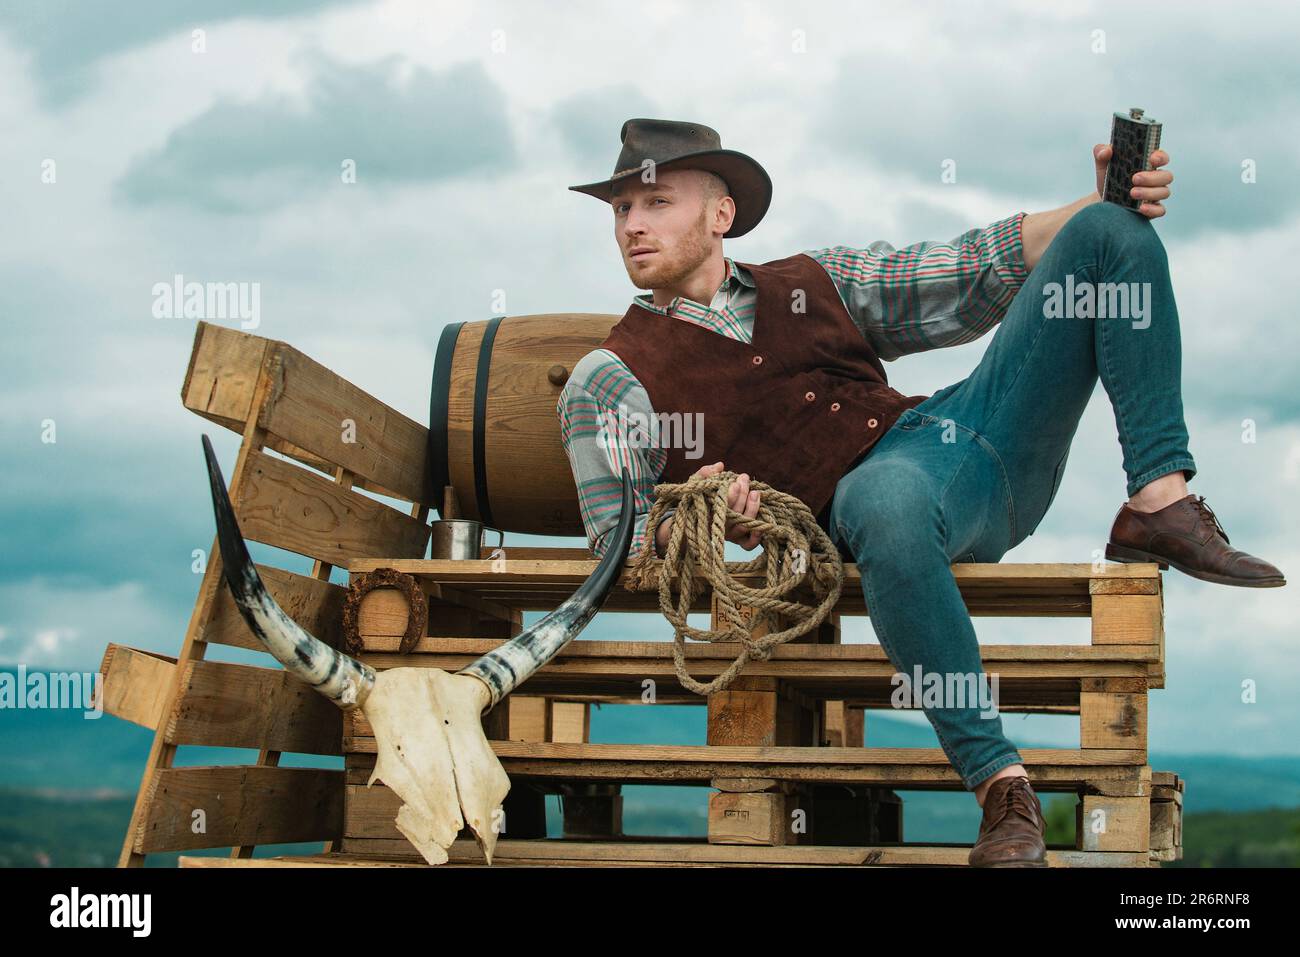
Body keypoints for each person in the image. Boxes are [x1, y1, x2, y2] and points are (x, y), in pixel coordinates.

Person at [558, 118, 1286, 867]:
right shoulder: (610, 378)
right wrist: (699, 520)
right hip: (875, 507)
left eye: (656, 203)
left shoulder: (815, 281)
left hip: (977, 431)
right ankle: (1003, 788)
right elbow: (623, 545)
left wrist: (1091, 203)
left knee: (1111, 232)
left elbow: (969, 268)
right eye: (622, 209)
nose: (632, 225)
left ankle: (1158, 501)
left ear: (721, 214)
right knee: (885, 500)